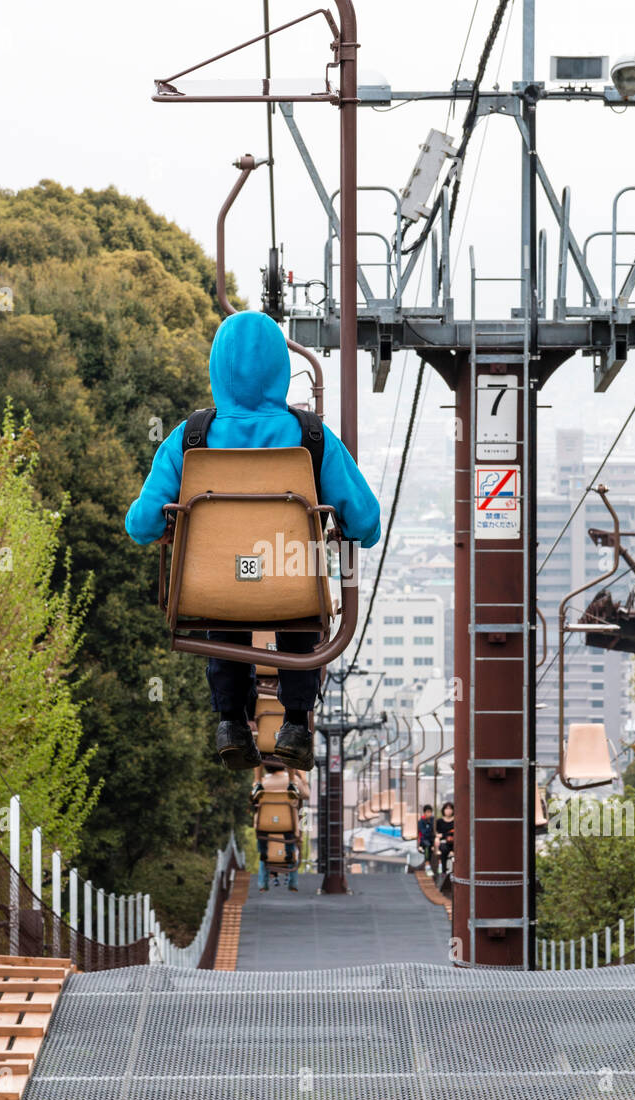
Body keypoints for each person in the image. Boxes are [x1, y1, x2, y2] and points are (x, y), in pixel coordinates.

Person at [124, 310, 381, 773]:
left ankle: (230, 721)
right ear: (280, 368)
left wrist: (169, 524)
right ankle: (297, 722)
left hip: (215, 590)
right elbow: (365, 519)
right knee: (300, 609)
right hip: (290, 583)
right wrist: (350, 530)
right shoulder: (311, 437)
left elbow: (140, 524)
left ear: (216, 367)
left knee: (225, 591)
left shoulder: (191, 437)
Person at [252, 761, 305, 891]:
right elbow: (306, 794)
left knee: (263, 852)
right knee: (291, 850)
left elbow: (252, 797)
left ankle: (263, 883)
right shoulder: (293, 782)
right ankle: (293, 882)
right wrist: (303, 779)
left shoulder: (262, 783)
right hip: (288, 825)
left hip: (265, 825)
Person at [436, 801, 455, 875]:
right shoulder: (439, 821)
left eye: (450, 809)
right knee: (444, 850)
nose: (448, 810)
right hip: (444, 842)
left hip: (454, 841)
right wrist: (438, 837)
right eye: (446, 809)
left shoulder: (455, 821)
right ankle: (443, 871)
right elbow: (436, 833)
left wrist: (443, 835)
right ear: (443, 810)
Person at [416, 804, 436, 875]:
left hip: (432, 839)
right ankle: (427, 865)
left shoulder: (433, 820)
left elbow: (435, 830)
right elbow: (424, 832)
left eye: (430, 812)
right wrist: (430, 830)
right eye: (427, 812)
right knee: (427, 846)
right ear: (424, 813)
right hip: (424, 840)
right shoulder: (421, 822)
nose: (429, 814)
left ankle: (440, 865)